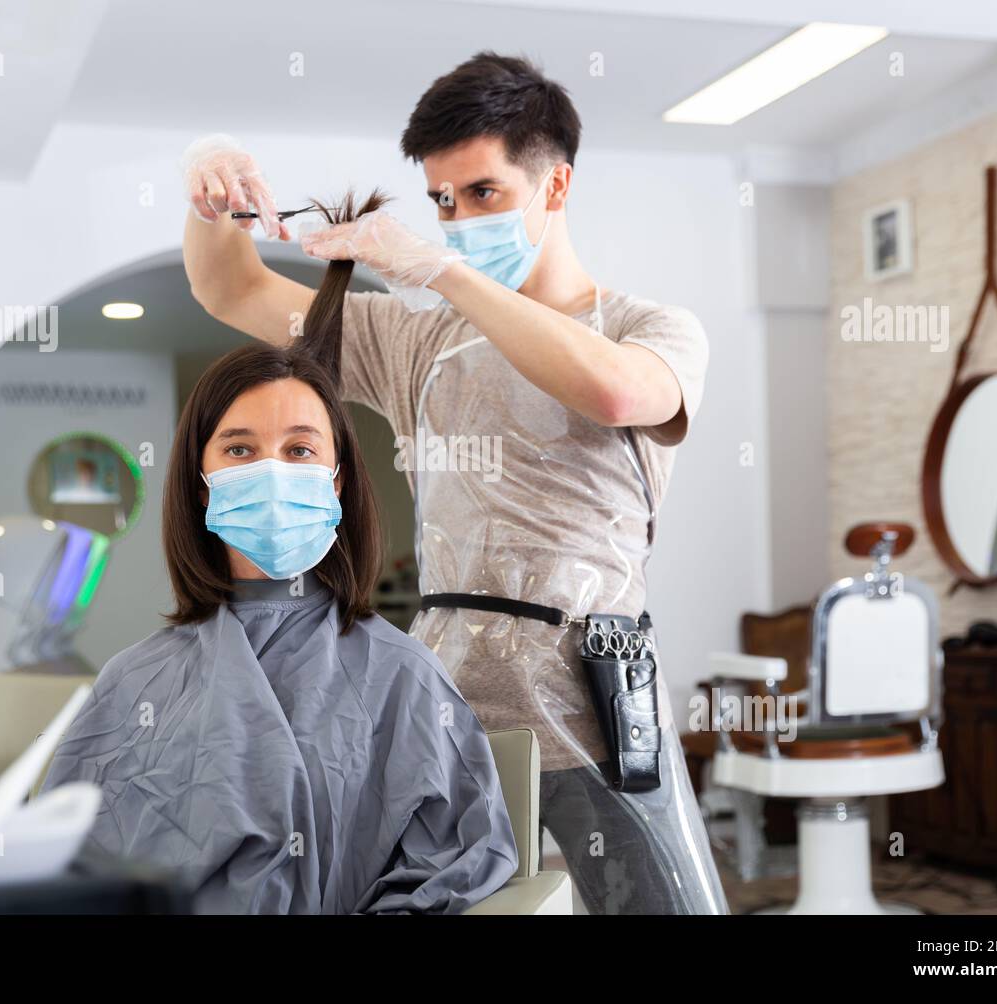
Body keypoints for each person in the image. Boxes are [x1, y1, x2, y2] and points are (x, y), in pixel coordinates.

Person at [181, 52, 727, 914]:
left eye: (482, 194)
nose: (457, 220)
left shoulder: (647, 328)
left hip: (596, 705)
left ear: (555, 188)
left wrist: (443, 273)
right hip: (446, 706)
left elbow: (619, 391)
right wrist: (210, 185)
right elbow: (228, 285)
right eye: (441, 201)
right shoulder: (415, 344)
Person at [40, 212, 519, 912]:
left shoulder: (401, 677)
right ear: (199, 480)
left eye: (299, 450)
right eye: (239, 449)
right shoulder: (132, 681)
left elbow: (455, 862)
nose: (271, 470)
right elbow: (59, 869)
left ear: (339, 481)